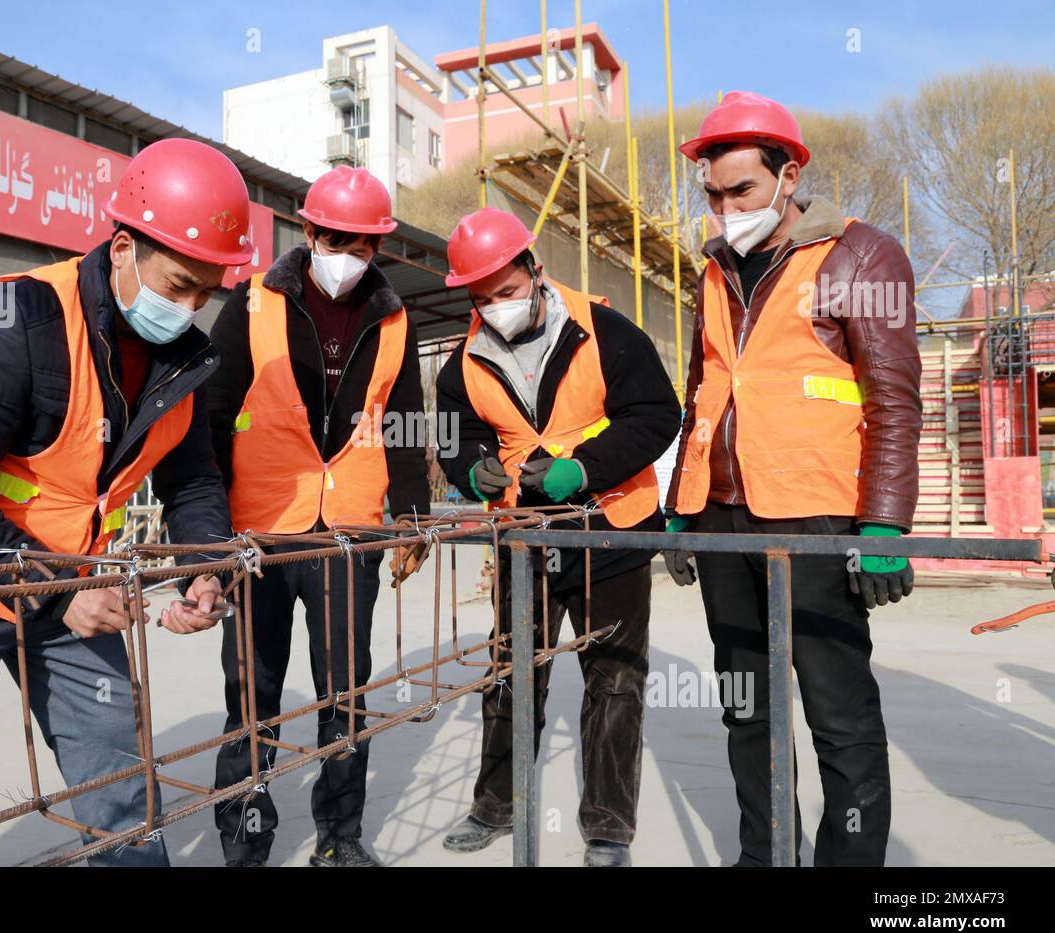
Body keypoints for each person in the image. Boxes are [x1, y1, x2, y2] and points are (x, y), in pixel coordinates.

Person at [0, 138, 250, 865]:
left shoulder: (186, 362)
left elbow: (191, 480)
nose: (191, 307)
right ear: (124, 246)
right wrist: (59, 589)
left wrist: (204, 568)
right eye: (179, 284)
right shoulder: (17, 320)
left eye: (206, 292)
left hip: (66, 582)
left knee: (118, 771)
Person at [664, 91, 922, 866]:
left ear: (788, 174)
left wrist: (882, 524)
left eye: (739, 189)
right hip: (723, 519)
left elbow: (895, 398)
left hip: (816, 521)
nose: (722, 207)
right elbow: (701, 394)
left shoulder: (859, 254)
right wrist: (681, 506)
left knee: (838, 715)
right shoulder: (714, 271)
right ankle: (763, 854)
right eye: (711, 193)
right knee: (748, 711)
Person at [436, 207, 681, 866]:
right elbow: (457, 440)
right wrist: (474, 472)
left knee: (615, 680)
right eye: (481, 299)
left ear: (535, 271)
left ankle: (607, 828)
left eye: (507, 292)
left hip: (612, 530)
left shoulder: (605, 330)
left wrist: (585, 467)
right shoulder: (462, 365)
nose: (496, 308)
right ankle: (495, 805)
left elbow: (659, 414)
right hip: (525, 535)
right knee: (512, 673)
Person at [206, 166, 430, 866]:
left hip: (348, 532)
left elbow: (405, 419)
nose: (349, 255)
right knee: (253, 691)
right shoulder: (251, 305)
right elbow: (213, 415)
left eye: (364, 244)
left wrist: (413, 513)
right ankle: (246, 839)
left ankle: (340, 835)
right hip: (261, 532)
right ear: (309, 231)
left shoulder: (393, 318)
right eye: (338, 238)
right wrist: (209, 530)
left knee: (345, 694)